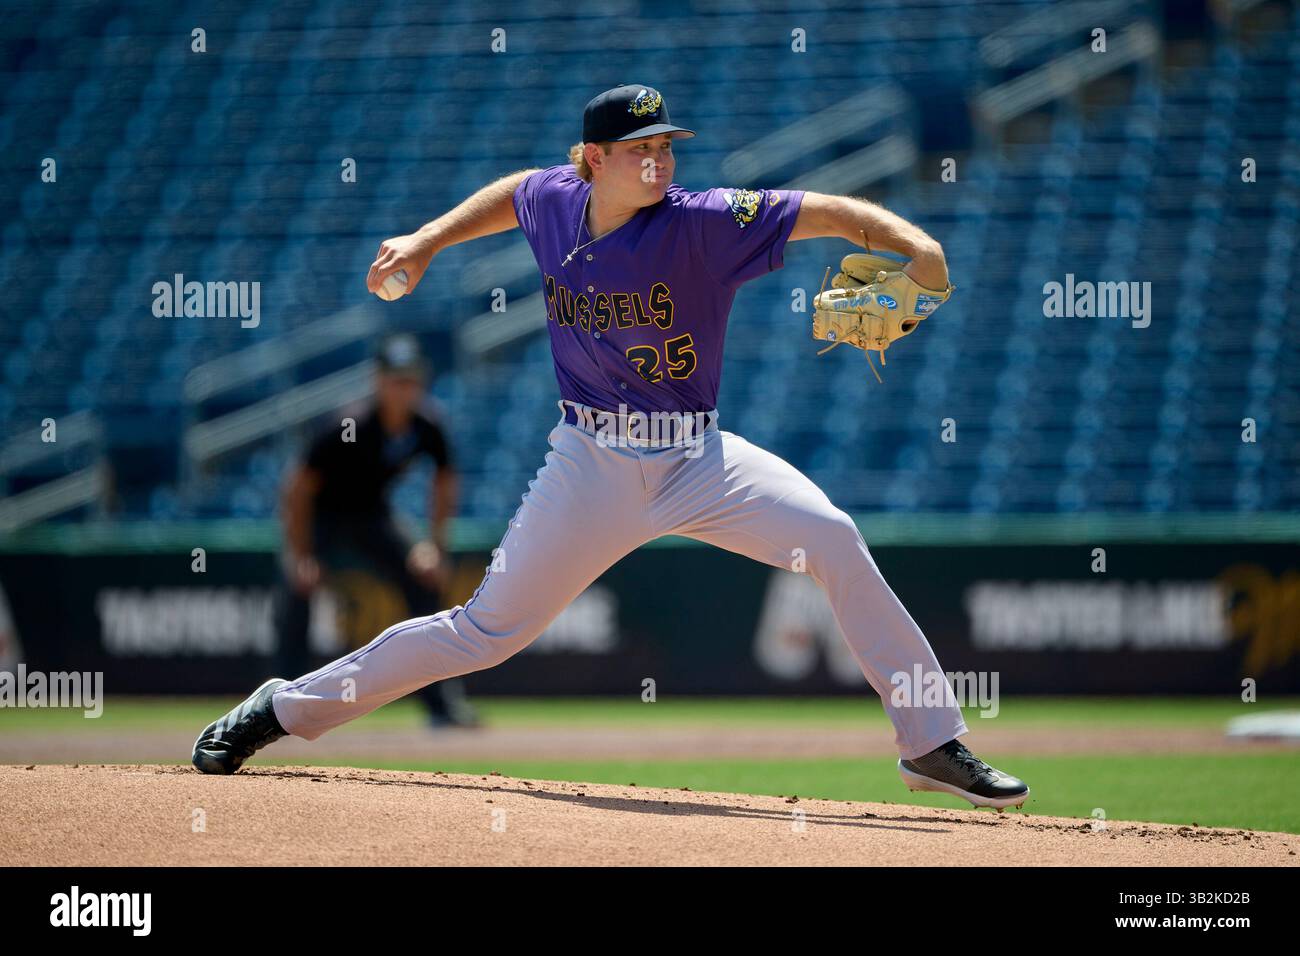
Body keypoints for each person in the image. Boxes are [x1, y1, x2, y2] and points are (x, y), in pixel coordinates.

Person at [192, 84, 1029, 811]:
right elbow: (517, 190)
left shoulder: (704, 221)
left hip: (699, 459)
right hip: (591, 463)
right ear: (592, 159)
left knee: (835, 538)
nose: (658, 161)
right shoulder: (556, 200)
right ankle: (284, 708)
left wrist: (913, 245)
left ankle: (929, 741)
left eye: (664, 145)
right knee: (483, 632)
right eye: (638, 150)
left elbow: (829, 212)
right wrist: (426, 240)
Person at [273, 333, 477, 729]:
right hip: (323, 517)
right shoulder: (349, 424)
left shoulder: (427, 425)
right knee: (297, 591)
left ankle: (439, 704)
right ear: (378, 381)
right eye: (396, 380)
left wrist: (433, 546)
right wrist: (301, 556)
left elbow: (445, 480)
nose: (404, 390)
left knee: (425, 579)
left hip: (372, 516)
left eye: (411, 380)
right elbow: (297, 489)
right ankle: (279, 702)